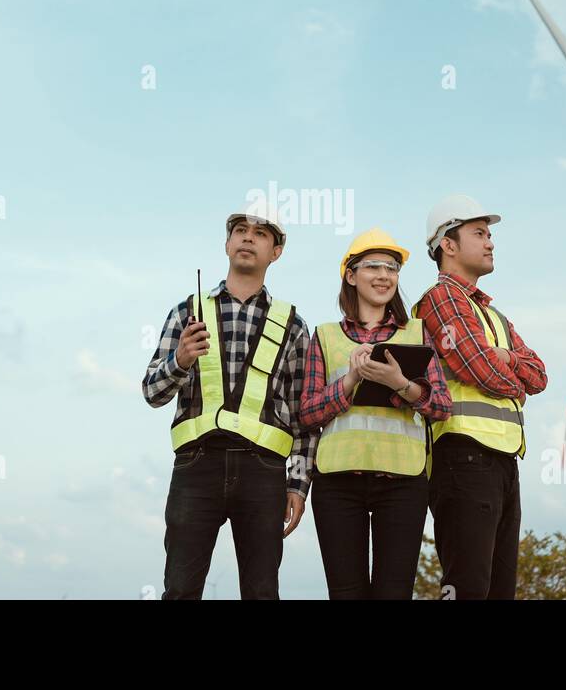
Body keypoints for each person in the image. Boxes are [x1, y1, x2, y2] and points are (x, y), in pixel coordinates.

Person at [141, 204, 314, 599]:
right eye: (240, 229)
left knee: (261, 592)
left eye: (261, 232)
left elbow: (304, 418)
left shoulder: (294, 325)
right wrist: (180, 359)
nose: (248, 236)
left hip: (264, 472)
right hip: (196, 466)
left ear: (276, 252)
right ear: (227, 243)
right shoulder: (188, 312)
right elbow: (153, 392)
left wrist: (298, 484)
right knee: (181, 589)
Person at [299, 228, 451, 599]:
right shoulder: (325, 335)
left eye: (392, 268)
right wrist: (351, 379)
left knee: (393, 593)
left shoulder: (417, 333)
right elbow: (307, 413)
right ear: (351, 275)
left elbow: (442, 406)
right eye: (374, 266)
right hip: (338, 482)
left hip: (402, 481)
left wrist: (400, 383)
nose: (385, 275)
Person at [413, 195, 548, 599]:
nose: (491, 243)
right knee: (469, 586)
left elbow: (539, 375)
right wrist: (513, 375)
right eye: (479, 233)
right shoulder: (441, 299)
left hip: (504, 463)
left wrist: (504, 359)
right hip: (463, 459)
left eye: (489, 235)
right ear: (448, 245)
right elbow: (480, 371)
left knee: (499, 589)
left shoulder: (495, 316)